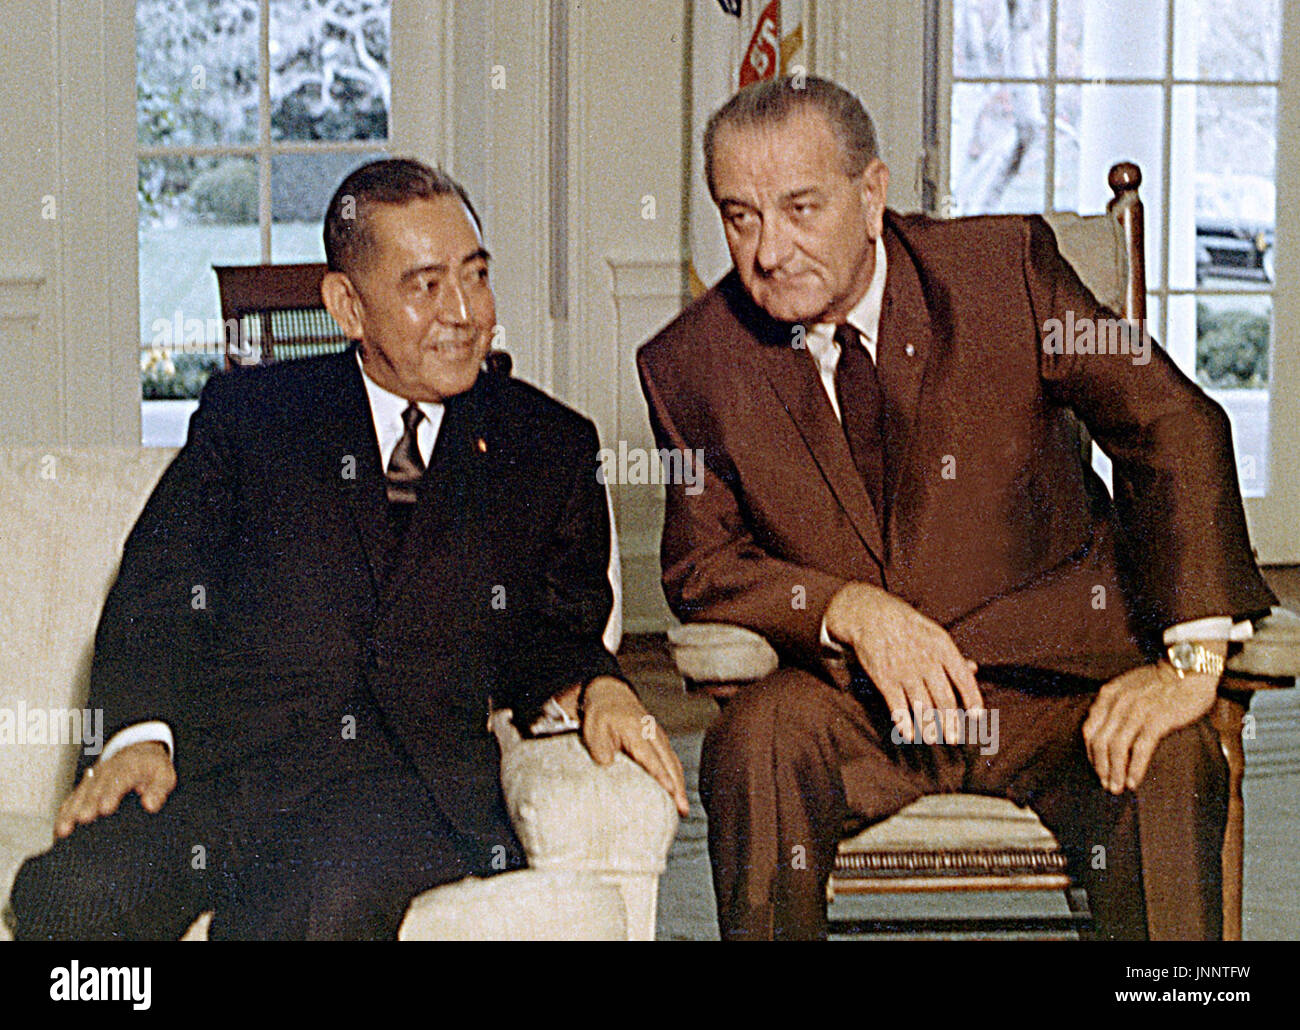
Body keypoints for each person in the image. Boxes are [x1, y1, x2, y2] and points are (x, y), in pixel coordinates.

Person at [637, 76, 1274, 941]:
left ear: (872, 196)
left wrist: (1190, 666)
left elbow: (1171, 420)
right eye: (739, 215)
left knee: (1167, 755)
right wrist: (847, 610)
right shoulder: (693, 362)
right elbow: (704, 566)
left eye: (800, 208)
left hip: (1055, 692)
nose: (770, 251)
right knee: (755, 742)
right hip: (855, 707)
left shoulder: (1001, 271)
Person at [11, 158, 687, 941]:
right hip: (237, 778)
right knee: (69, 895)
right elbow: (159, 589)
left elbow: (550, 631)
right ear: (347, 305)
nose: (466, 313)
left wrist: (594, 682)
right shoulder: (252, 418)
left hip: (407, 793)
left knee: (313, 901)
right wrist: (139, 735)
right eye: (425, 285)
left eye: (476, 275)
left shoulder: (547, 446)